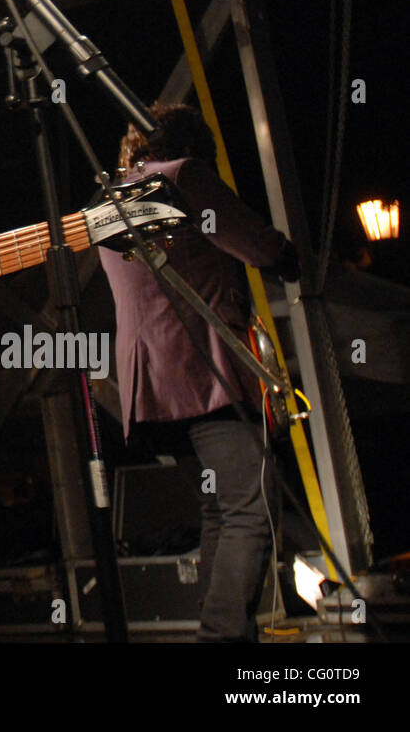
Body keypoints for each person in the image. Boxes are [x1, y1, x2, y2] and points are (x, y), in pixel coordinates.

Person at [98, 103, 299, 642]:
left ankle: (227, 634)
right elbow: (255, 244)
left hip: (149, 390)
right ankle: (223, 639)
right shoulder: (184, 177)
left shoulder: (106, 202)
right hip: (203, 375)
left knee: (220, 510)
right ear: (192, 142)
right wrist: (290, 256)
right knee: (253, 510)